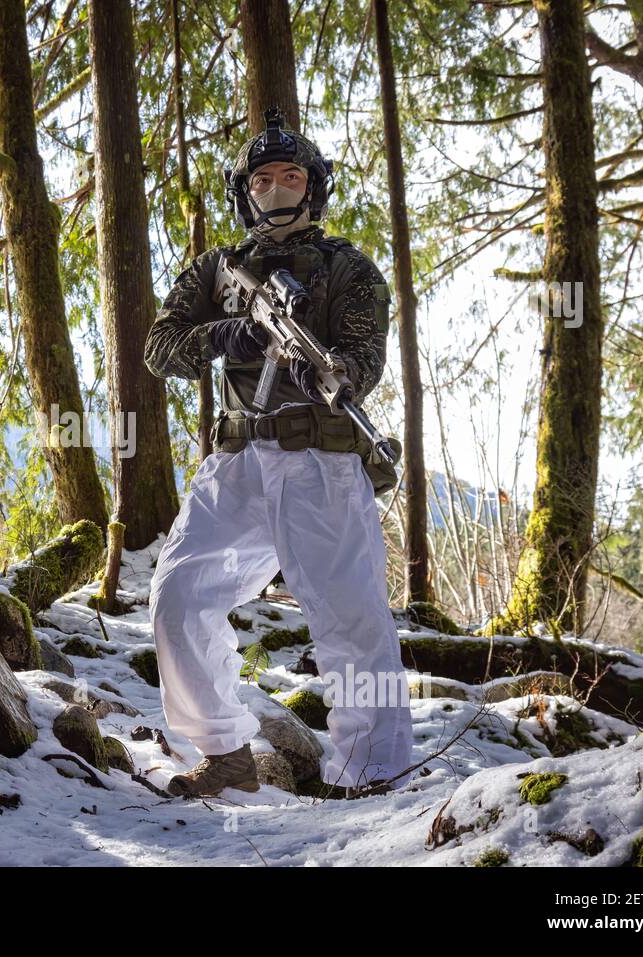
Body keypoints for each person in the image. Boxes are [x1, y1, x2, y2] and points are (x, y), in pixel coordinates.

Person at [143, 109, 412, 799]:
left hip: (320, 459)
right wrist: (224, 334)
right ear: (246, 193)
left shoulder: (348, 268)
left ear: (312, 186)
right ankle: (225, 751)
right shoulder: (216, 270)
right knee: (177, 594)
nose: (278, 188)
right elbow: (159, 347)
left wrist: (329, 374)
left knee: (352, 619)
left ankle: (373, 774)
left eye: (291, 176)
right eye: (263, 179)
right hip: (236, 462)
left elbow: (363, 358)